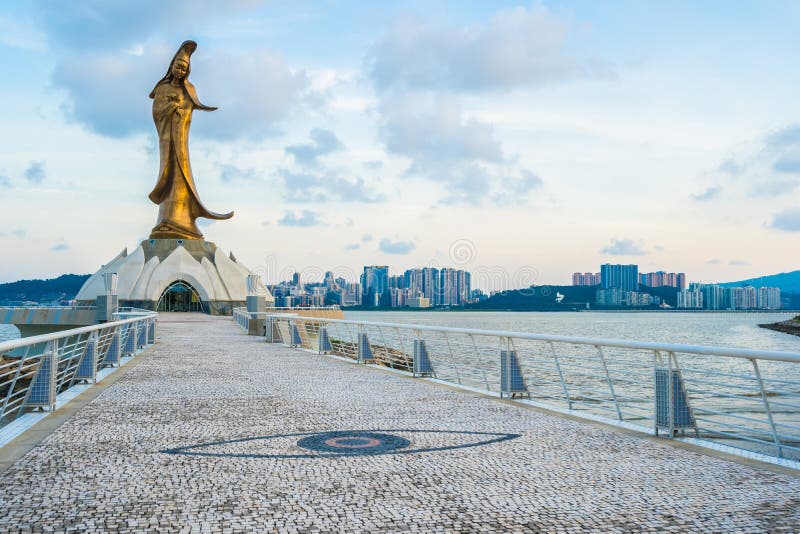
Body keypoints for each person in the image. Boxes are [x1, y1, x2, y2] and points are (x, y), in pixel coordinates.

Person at [148, 40, 232, 240]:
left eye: (183, 68)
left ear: (188, 71)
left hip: (180, 138)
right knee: (170, 174)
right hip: (168, 140)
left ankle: (183, 219)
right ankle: (168, 220)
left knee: (183, 174)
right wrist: (170, 109)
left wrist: (181, 111)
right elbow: (157, 112)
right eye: (177, 66)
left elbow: (189, 109)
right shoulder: (162, 88)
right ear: (171, 66)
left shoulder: (189, 89)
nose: (179, 70)